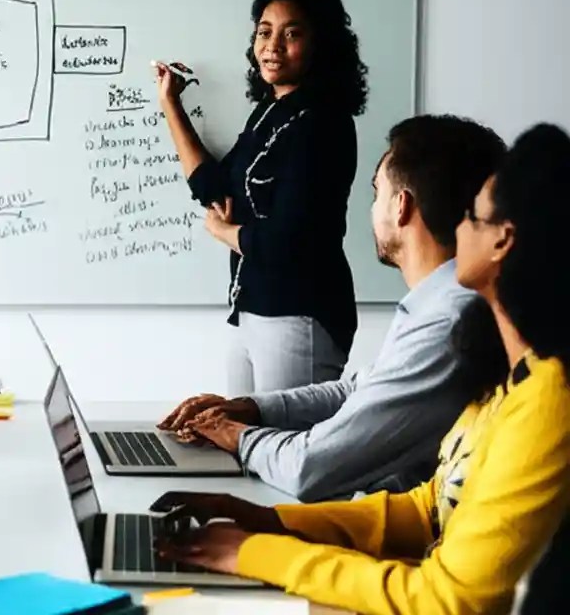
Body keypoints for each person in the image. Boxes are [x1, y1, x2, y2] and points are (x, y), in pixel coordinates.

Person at [153, 124, 570, 615]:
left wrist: (253, 551)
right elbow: (428, 509)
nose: (456, 230)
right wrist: (266, 520)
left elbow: (447, 598)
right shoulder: (506, 375)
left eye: (472, 219)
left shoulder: (548, 397)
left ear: (503, 241)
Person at [157, 115, 507, 501]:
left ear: (401, 207)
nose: (372, 209)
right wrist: (251, 409)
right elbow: (360, 388)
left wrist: (236, 435)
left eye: (377, 193)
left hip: (393, 535)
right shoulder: (440, 304)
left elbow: (310, 467)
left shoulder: (450, 322)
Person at [157, 0, 368, 394]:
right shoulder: (267, 114)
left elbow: (288, 242)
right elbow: (213, 188)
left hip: (299, 312)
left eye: (292, 33)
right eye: (264, 32)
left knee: (283, 451)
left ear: (320, 43)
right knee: (241, 443)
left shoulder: (322, 123)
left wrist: (225, 232)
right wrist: (171, 103)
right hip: (249, 307)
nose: (273, 45)